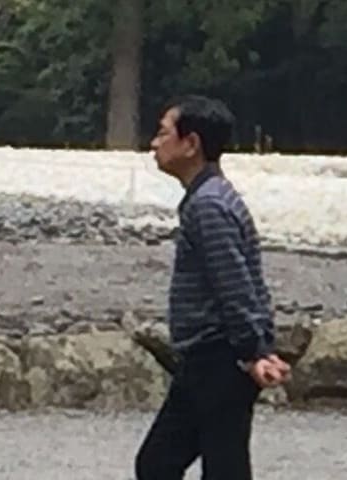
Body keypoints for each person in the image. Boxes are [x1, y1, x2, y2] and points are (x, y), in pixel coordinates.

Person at [134, 95, 290, 480]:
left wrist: (252, 352)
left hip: (218, 354)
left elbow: (233, 283)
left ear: (191, 144)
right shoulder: (210, 198)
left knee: (187, 465)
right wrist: (258, 348)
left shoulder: (208, 205)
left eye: (164, 133)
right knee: (173, 463)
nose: (155, 143)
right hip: (214, 354)